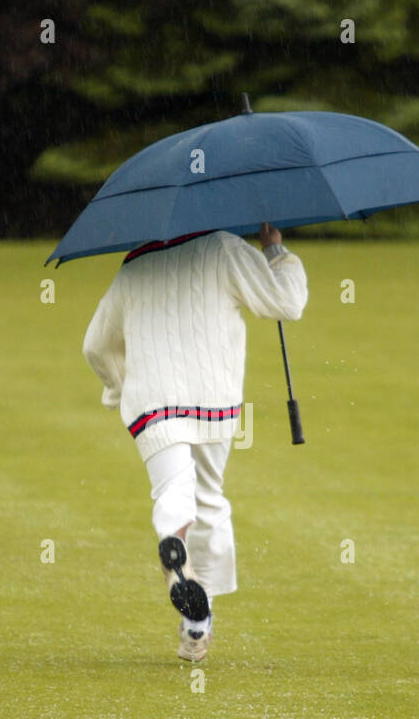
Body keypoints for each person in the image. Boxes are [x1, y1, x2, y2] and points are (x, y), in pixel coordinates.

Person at [82, 222, 308, 661]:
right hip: (213, 401)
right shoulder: (225, 248)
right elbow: (288, 302)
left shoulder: (135, 264)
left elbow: (95, 344)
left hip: (153, 404)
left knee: (173, 492)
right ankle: (196, 625)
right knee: (208, 499)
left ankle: (175, 555)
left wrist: (116, 387)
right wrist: (277, 252)